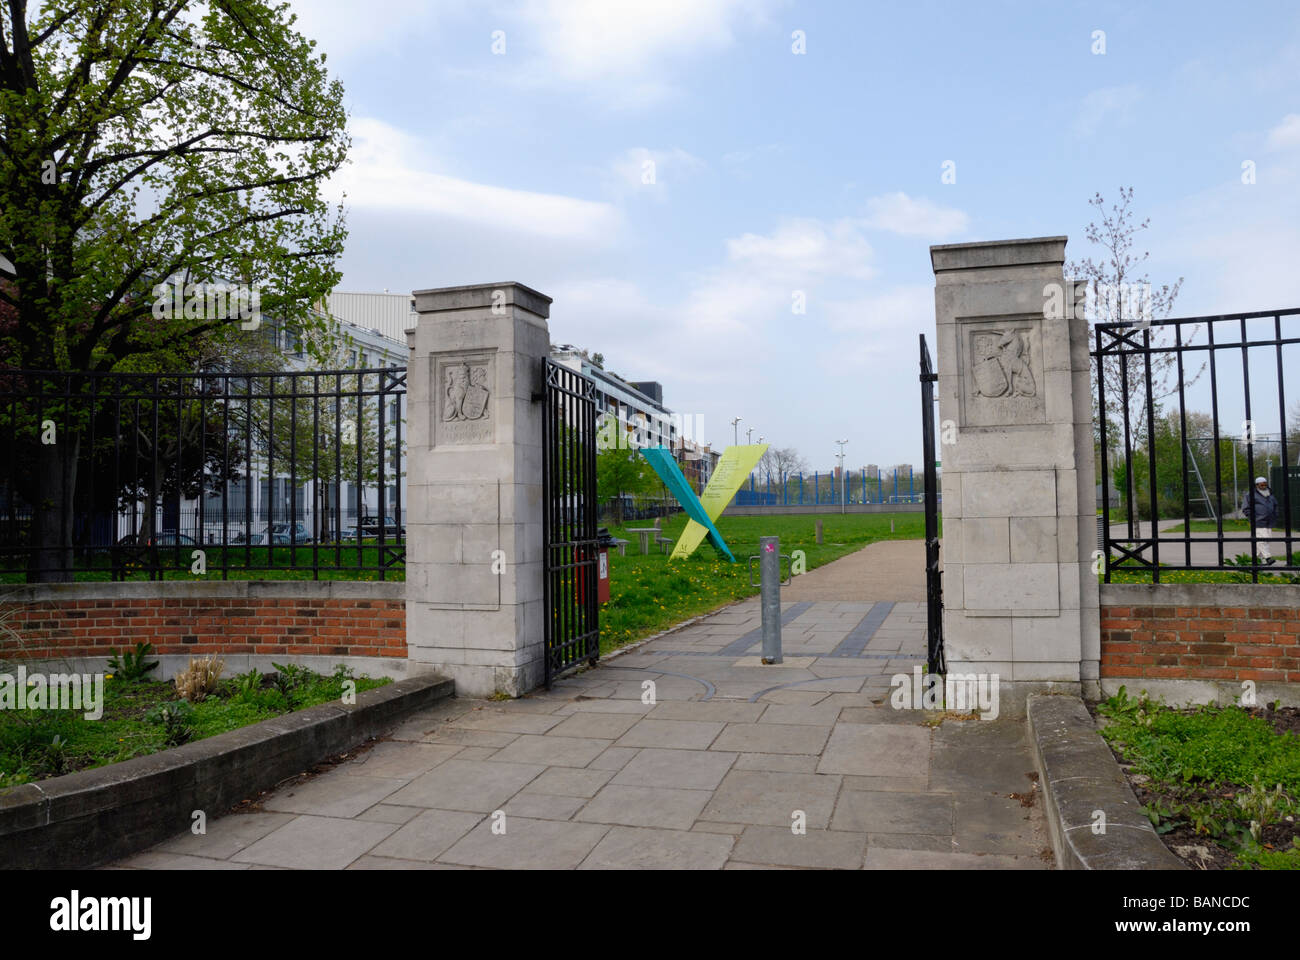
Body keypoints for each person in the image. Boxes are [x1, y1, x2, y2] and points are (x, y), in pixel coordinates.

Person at [1239, 476, 1279, 564]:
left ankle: (1257, 559)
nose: (1264, 486)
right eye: (1262, 484)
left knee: (1266, 539)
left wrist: (1275, 514)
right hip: (1258, 521)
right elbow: (1245, 508)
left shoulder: (1270, 493)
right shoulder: (1251, 494)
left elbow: (1275, 504)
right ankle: (1268, 557)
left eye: (1265, 484)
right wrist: (1253, 517)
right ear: (1257, 485)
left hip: (1269, 521)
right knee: (1262, 539)